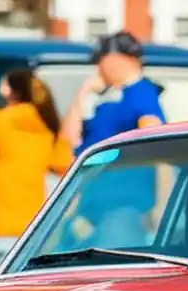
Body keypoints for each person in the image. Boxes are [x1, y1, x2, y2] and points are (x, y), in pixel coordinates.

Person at [57, 31, 166, 251]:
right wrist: (83, 93)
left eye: (100, 62)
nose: (98, 69)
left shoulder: (141, 92)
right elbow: (67, 140)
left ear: (115, 59)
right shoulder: (105, 101)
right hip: (91, 206)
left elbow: (153, 133)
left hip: (122, 206)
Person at [0, 68, 73, 268]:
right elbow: (63, 164)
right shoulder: (49, 126)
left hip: (1, 225)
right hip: (37, 228)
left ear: (8, 90)